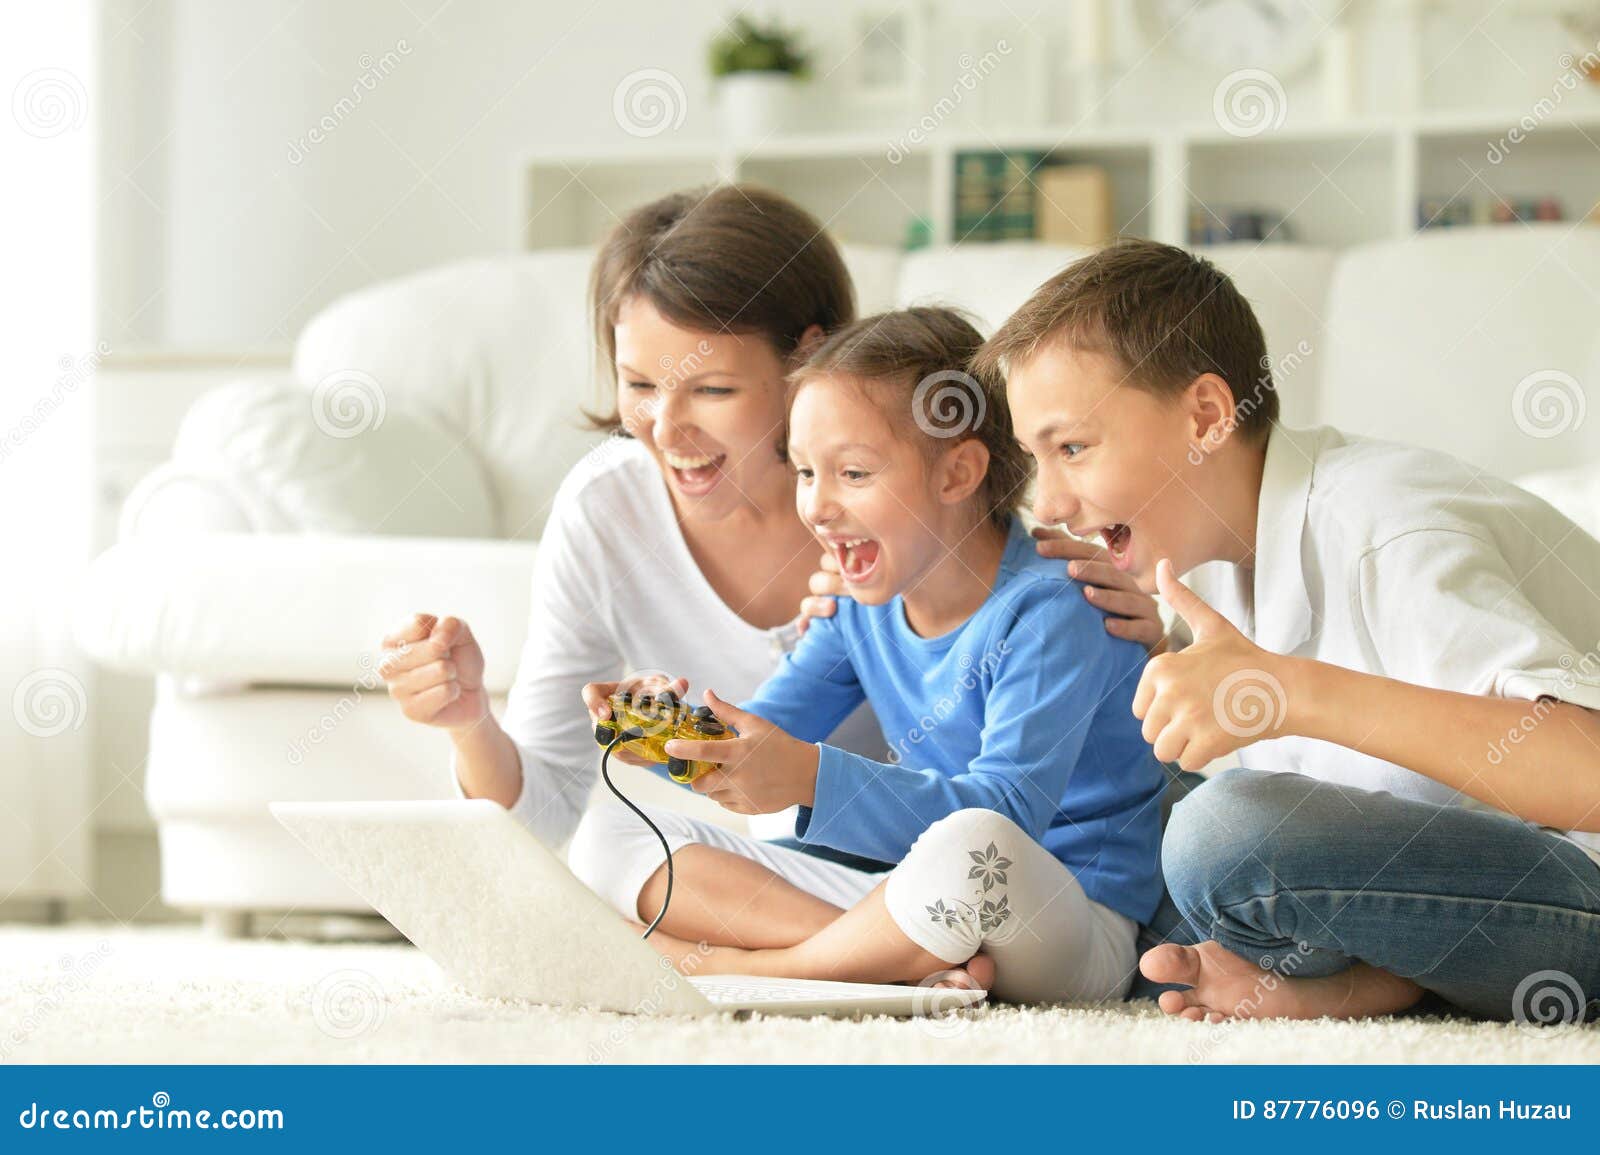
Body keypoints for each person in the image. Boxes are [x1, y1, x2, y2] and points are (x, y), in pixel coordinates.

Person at [988, 237, 1600, 1023]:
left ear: (1206, 416)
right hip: (1467, 905)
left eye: (1072, 447)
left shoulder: (1386, 530)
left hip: (1575, 892)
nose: (1048, 501)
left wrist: (1289, 691)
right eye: (1036, 460)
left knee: (1224, 835)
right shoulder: (1202, 554)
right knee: (1107, 811)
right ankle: (1357, 987)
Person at [568, 308, 1166, 1004]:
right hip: (914, 898)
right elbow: (748, 739)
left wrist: (809, 776)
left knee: (975, 842)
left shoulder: (1053, 608)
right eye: (803, 472)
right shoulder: (860, 605)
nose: (817, 506)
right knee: (604, 836)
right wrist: (663, 734)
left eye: (852, 472)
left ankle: (765, 971)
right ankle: (887, 958)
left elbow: (1006, 811)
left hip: (1066, 918)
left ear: (957, 473)